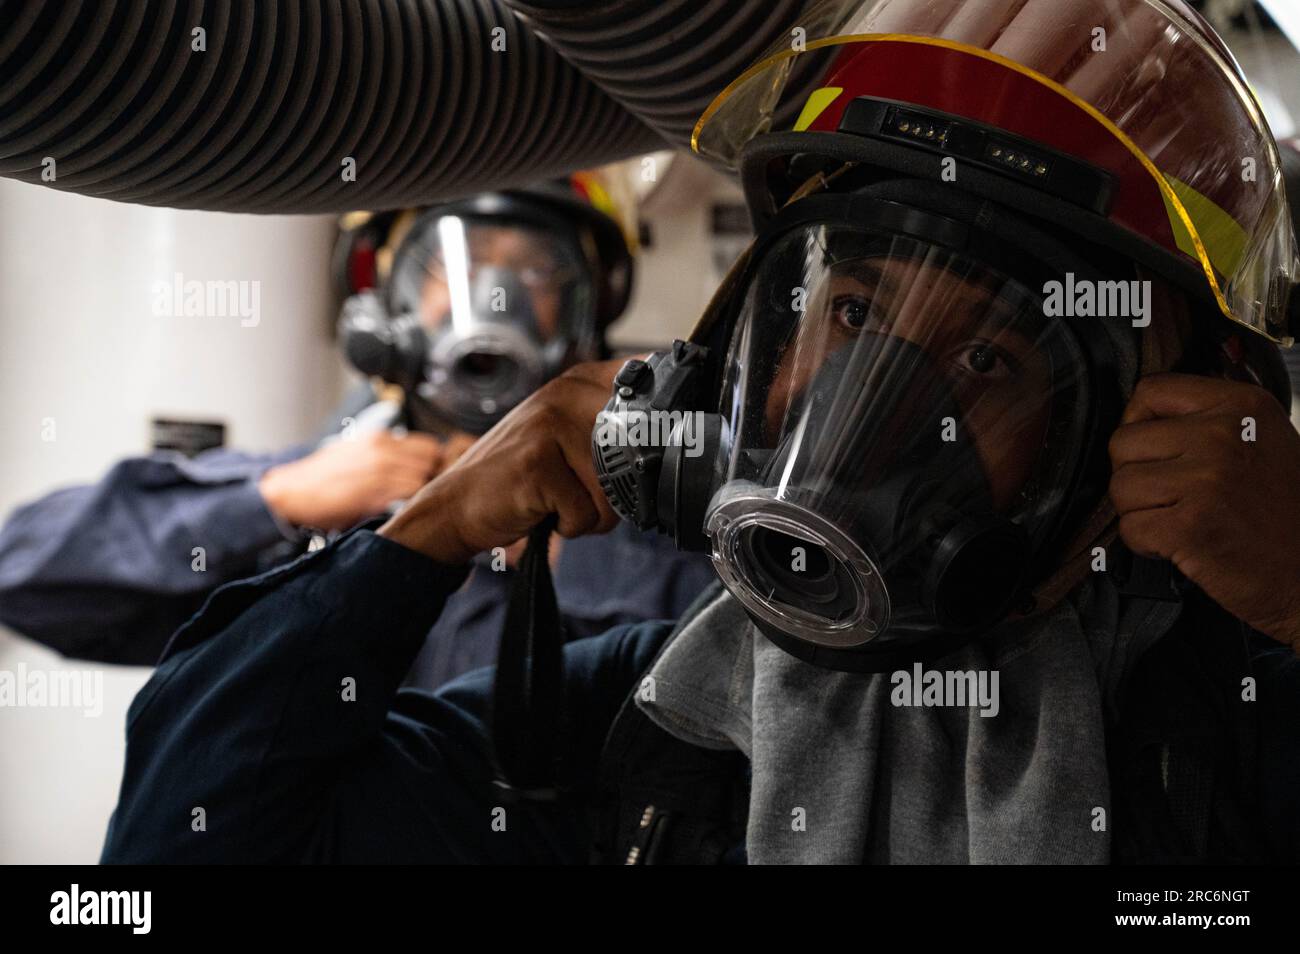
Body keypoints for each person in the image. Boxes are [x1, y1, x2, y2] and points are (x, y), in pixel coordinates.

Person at [102, 0, 1300, 864]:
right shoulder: (655, 717)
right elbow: (189, 837)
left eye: (987, 357)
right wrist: (430, 530)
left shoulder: (1229, 727)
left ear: (1161, 426)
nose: (875, 400)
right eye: (850, 311)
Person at [0, 179, 714, 686]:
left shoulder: (659, 512)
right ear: (388, 295)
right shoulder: (317, 502)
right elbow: (27, 580)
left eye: (535, 268)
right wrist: (270, 500)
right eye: (454, 265)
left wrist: (568, 560)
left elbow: (745, 671)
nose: (497, 297)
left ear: (589, 307)